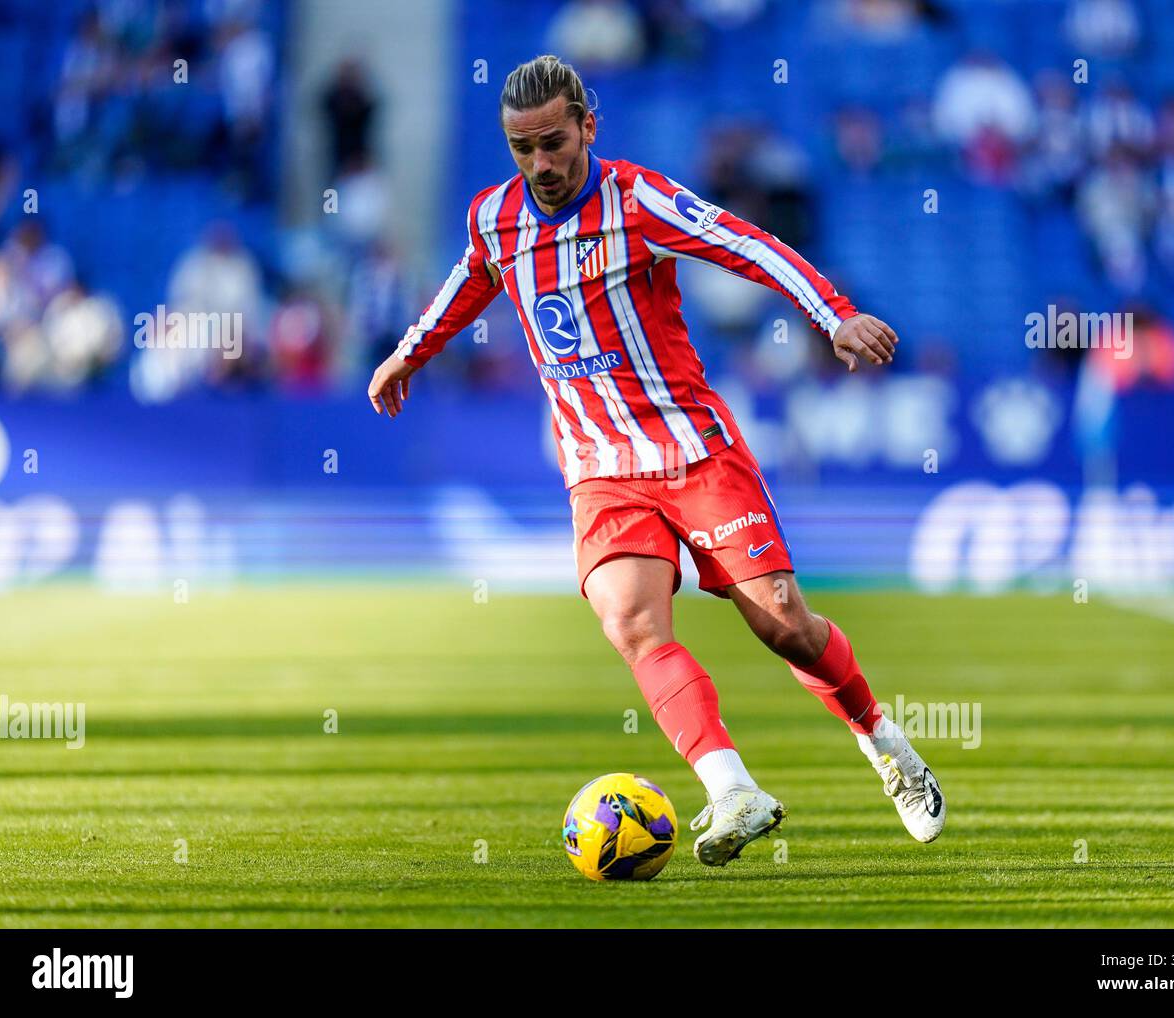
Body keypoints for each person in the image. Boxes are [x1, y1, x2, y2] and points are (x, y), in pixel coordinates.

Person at [367, 55, 945, 865]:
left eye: (554, 143)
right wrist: (408, 355)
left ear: (587, 127)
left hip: (691, 448)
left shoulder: (639, 200)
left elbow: (747, 245)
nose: (541, 164)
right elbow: (471, 280)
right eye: (522, 148)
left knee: (783, 623)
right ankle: (732, 789)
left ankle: (886, 745)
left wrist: (834, 315)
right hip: (599, 466)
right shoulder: (494, 218)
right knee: (632, 620)